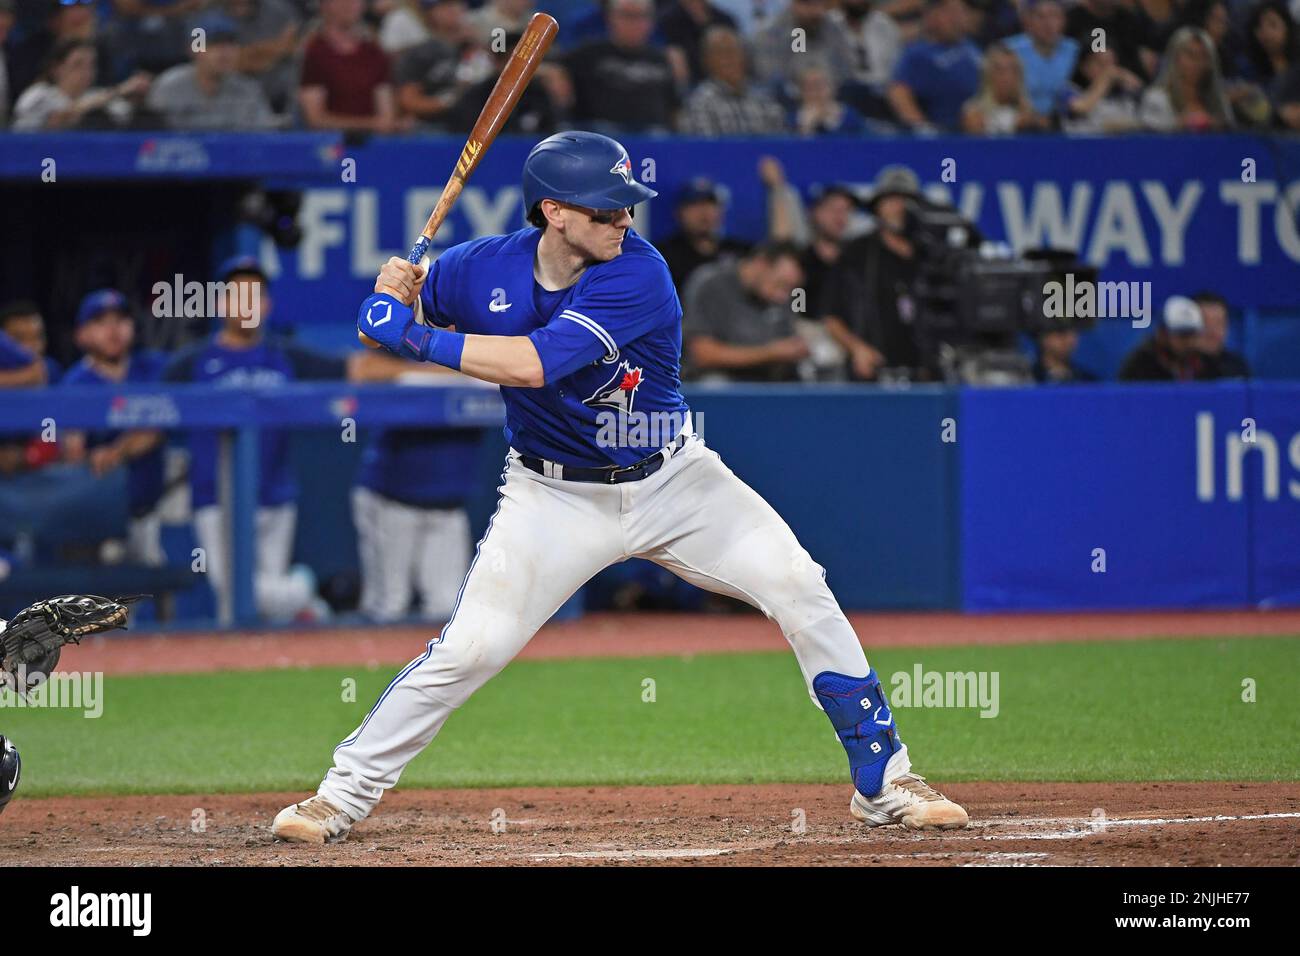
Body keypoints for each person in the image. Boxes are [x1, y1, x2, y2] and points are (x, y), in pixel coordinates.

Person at [272, 130, 968, 842]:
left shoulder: (639, 273)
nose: (623, 221)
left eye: (625, 207)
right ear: (554, 213)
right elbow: (389, 332)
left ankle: (885, 782)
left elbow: (534, 364)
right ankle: (339, 795)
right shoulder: (471, 270)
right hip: (553, 497)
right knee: (470, 648)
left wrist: (411, 337)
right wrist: (395, 303)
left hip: (674, 481)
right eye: (605, 210)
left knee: (800, 585)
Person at [161, 256, 404, 621]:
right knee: (231, 595)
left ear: (267, 305)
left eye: (254, 295)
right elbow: (146, 411)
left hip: (274, 495)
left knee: (264, 603)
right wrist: (115, 450)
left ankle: (271, 652)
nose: (246, 304)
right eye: (236, 295)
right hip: (214, 497)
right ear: (220, 303)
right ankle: (303, 592)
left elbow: (357, 368)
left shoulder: (284, 355)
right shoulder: (193, 362)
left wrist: (440, 365)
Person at [59, 289, 169, 567]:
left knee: (159, 580)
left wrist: (117, 450)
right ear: (81, 335)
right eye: (100, 322)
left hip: (155, 505)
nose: (113, 329)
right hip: (99, 517)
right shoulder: (75, 383)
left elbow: (157, 429)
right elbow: (71, 452)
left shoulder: (153, 367)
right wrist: (86, 457)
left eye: (120, 320)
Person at [353, 424, 477, 622]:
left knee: (446, 605)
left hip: (449, 503)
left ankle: (433, 654)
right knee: (391, 604)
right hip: (391, 499)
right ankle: (371, 653)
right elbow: (357, 401)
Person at [820, 165, 926, 380]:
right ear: (877, 207)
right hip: (874, 373)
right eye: (891, 200)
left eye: (907, 201)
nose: (899, 208)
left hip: (928, 373)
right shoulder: (856, 254)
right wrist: (857, 348)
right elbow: (830, 316)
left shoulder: (933, 254)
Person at [682, 242, 812, 382]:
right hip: (715, 384)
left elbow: (789, 343)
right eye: (781, 284)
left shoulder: (783, 297)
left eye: (790, 289)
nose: (783, 297)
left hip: (767, 384)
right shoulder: (711, 284)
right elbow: (702, 355)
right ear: (761, 264)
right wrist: (770, 353)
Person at [560, 0, 679, 133]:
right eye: (627, 15)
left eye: (643, 15)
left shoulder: (660, 59)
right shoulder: (587, 54)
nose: (635, 23)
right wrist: (551, 72)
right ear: (610, 18)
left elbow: (674, 108)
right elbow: (546, 62)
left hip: (652, 135)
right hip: (599, 134)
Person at [147, 13, 278, 130]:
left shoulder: (248, 90)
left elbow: (263, 140)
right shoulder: (168, 87)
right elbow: (149, 140)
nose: (225, 53)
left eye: (231, 44)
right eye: (215, 45)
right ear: (194, 49)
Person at [299, 0, 406, 134]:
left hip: (374, 143)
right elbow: (315, 118)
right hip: (331, 143)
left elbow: (386, 112)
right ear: (324, 5)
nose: (349, 5)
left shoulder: (375, 53)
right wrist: (371, 124)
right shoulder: (314, 53)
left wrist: (385, 123)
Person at [393, 0, 493, 129]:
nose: (453, 10)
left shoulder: (481, 48)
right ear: (431, 13)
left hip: (483, 123)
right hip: (435, 126)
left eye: (457, 4)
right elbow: (409, 101)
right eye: (445, 6)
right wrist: (449, 101)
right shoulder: (418, 54)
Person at [11, 37, 149, 130]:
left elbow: (127, 120)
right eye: (78, 64)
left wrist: (137, 101)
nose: (86, 71)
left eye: (91, 65)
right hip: (37, 163)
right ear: (56, 68)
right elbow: (60, 119)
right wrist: (120, 90)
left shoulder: (98, 95)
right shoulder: (39, 93)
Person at [887, 0, 983, 131]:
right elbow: (898, 92)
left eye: (961, 12)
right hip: (947, 131)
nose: (958, 19)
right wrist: (922, 129)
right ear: (931, 16)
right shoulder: (918, 53)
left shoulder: (970, 46)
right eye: (951, 13)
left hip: (984, 123)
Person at [678, 24, 787, 134]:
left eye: (734, 51)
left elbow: (781, 145)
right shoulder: (700, 104)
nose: (729, 59)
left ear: (744, 57)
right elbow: (705, 149)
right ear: (706, 61)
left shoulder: (765, 101)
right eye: (720, 53)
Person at [654, 177, 751, 292]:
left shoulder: (739, 252)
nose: (704, 213)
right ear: (679, 213)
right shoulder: (662, 256)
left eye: (710, 204)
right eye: (695, 205)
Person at [1140, 25, 1235, 130]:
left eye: (1204, 56)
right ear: (1175, 59)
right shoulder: (1156, 99)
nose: (1198, 63)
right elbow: (1151, 141)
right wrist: (1178, 126)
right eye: (1191, 55)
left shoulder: (1220, 101)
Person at [1118, 295, 1223, 380]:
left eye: (1192, 334)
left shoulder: (1207, 364)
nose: (1188, 341)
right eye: (1182, 334)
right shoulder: (1140, 367)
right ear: (1163, 335)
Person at [1005, 0, 1078, 117]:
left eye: (1054, 16)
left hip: (1065, 123)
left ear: (1063, 20)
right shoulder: (1009, 50)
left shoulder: (1074, 50)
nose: (1048, 23)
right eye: (1041, 16)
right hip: (1018, 121)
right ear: (1027, 20)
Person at [962, 40, 1048, 132]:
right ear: (988, 74)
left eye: (1013, 70)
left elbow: (1045, 125)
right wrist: (1015, 122)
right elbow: (975, 127)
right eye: (1000, 70)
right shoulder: (973, 110)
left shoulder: (1030, 111)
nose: (1007, 77)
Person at [1059, 46, 1145, 133]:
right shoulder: (1069, 89)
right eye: (1101, 64)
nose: (1107, 69)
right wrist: (1106, 79)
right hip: (1083, 144)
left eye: (1111, 63)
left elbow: (1141, 121)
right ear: (1084, 67)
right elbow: (1081, 108)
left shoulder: (1125, 92)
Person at [1192, 290, 1250, 377]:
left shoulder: (1237, 368)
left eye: (1218, 323)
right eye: (1205, 322)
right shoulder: (1177, 368)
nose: (1212, 331)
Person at [1031, 327, 1097, 383]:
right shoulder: (1027, 380)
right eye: (1061, 332)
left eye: (1074, 332)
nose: (1070, 340)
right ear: (1042, 336)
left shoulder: (1088, 382)